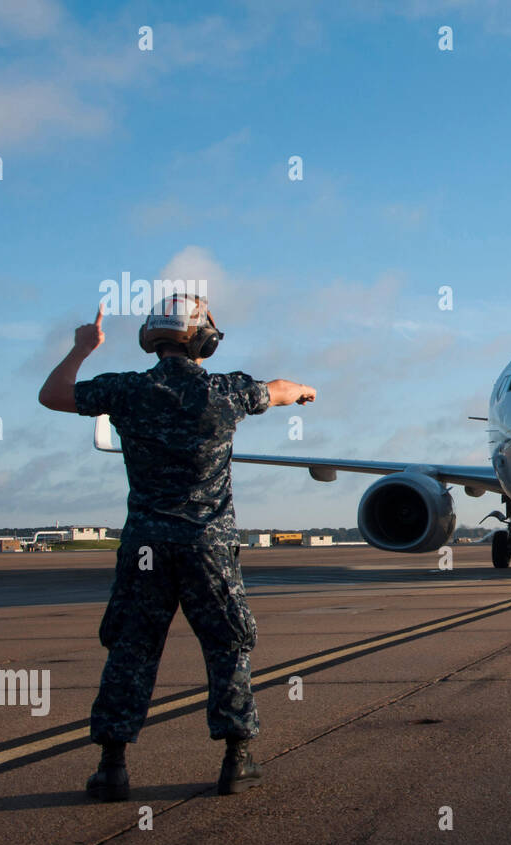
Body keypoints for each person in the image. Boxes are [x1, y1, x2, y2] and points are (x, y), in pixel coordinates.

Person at [38, 294, 316, 799]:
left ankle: (113, 767)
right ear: (203, 340)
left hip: (145, 548)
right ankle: (236, 760)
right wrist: (301, 392)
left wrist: (83, 347)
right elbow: (276, 388)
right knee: (228, 647)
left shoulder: (124, 391)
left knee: (131, 650)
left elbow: (53, 396)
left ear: (152, 339)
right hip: (207, 547)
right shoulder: (225, 392)